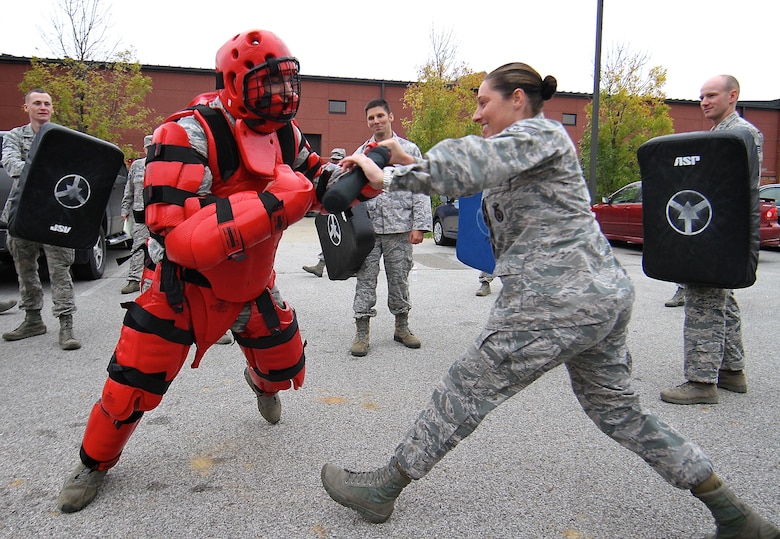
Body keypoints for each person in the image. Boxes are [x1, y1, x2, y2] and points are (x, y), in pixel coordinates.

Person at [320, 63, 780, 537]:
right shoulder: (521, 150)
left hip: (553, 302)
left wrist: (389, 177)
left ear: (518, 99)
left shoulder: (540, 134)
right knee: (619, 412)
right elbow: (479, 172)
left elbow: (468, 163)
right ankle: (733, 514)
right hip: (594, 299)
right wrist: (401, 158)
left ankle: (383, 488)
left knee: (464, 388)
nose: (477, 115)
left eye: (484, 102)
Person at [56, 29, 345, 513]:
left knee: (284, 365)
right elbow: (177, 234)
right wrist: (274, 203)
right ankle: (93, 463)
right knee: (132, 384)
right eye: (268, 83)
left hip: (252, 282)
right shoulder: (185, 133)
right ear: (234, 82)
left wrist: (354, 178)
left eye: (286, 81)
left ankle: (260, 382)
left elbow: (315, 177)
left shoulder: (285, 133)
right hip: (181, 286)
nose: (282, 93)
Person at [660, 75, 762, 406]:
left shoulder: (739, 135)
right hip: (719, 234)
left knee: (703, 302)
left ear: (733, 96)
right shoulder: (722, 134)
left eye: (712, 95)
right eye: (702, 96)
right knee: (723, 301)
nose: (704, 101)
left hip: (717, 236)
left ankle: (701, 382)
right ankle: (732, 372)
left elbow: (729, 191)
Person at [349, 98, 431, 357]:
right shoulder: (362, 154)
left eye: (380, 116)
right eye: (371, 117)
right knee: (365, 281)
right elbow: (354, 194)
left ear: (390, 117)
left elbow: (421, 187)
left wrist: (420, 226)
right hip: (370, 232)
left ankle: (402, 328)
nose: (376, 121)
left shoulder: (408, 150)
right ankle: (362, 332)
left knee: (399, 281)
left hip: (400, 229)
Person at [1, 89, 81, 351]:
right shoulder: (14, 136)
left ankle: (66, 324)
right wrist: (47, 172)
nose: (43, 107)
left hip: (56, 211)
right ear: (27, 107)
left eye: (47, 103)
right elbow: (11, 164)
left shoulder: (64, 137)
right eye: (37, 103)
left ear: (52, 108)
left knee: (60, 269)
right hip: (23, 212)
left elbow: (76, 170)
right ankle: (33, 319)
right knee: (25, 269)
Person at [302, 147, 346, 278]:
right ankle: (321, 265)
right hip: (331, 210)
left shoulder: (346, 172)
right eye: (334, 159)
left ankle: (350, 267)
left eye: (338, 160)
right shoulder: (326, 170)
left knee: (345, 239)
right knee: (333, 238)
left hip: (345, 211)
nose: (335, 162)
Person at [119, 135, 153, 294]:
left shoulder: (163, 164)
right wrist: (125, 209)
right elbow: (129, 189)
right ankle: (134, 279)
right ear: (144, 148)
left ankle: (159, 280)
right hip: (140, 214)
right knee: (138, 247)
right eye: (148, 147)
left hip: (159, 214)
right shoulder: (137, 166)